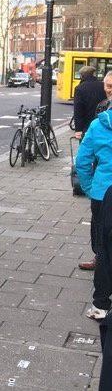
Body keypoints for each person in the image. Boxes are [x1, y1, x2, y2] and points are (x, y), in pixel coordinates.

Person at [75, 103, 112, 323]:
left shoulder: (99, 124)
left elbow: (82, 161)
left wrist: (90, 188)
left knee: (103, 250)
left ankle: (100, 304)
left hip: (103, 194)